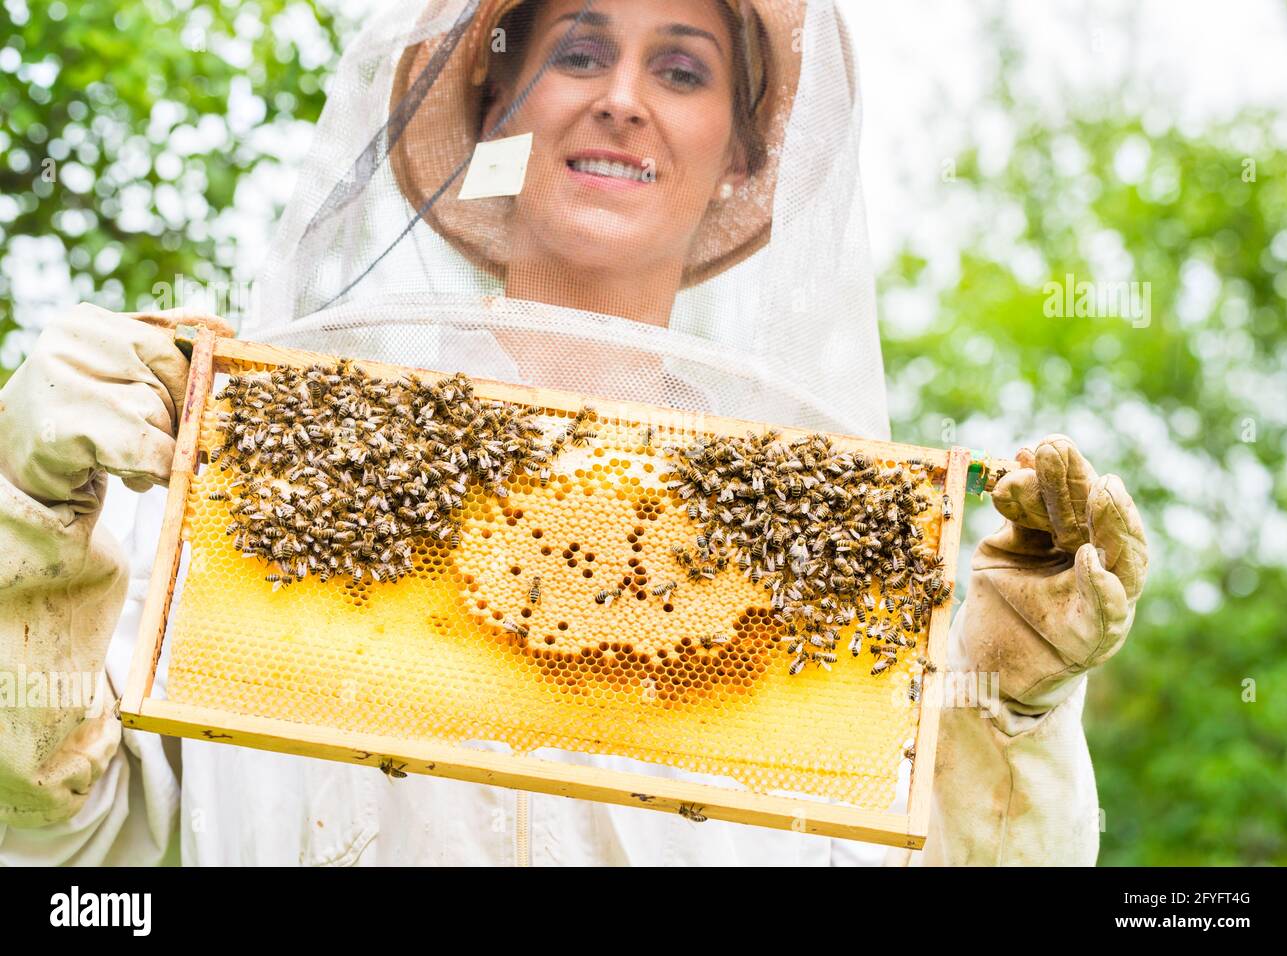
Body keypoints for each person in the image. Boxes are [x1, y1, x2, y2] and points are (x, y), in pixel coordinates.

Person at [0, 0, 1147, 866]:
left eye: (682, 68)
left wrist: (1008, 703)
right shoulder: (263, 469)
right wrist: (30, 526)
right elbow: (63, 833)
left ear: (744, 151)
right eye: (580, 52)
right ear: (501, 108)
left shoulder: (832, 574)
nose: (622, 99)